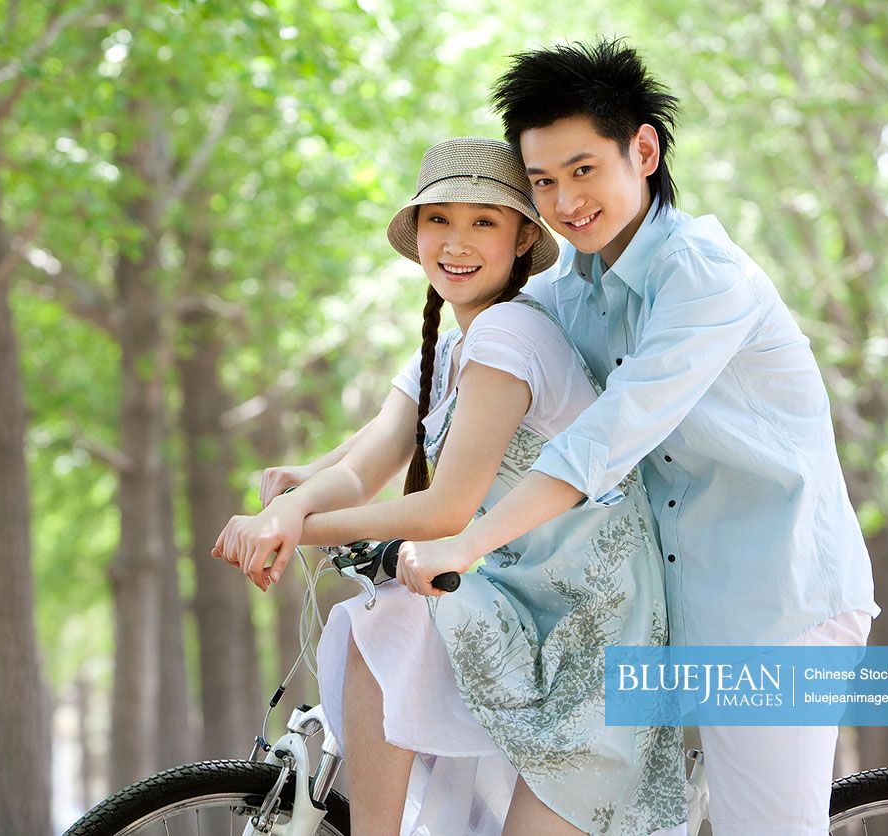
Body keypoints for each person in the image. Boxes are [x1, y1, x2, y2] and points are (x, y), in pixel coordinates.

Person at [365, 40, 877, 836]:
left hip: (772, 608)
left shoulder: (704, 277)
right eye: (542, 181)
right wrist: (323, 483)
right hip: (652, 618)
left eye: (582, 170)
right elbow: (476, 370)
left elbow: (604, 440)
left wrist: (463, 543)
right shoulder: (567, 292)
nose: (565, 201)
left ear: (642, 151)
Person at [213, 137, 688, 836]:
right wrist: (292, 501)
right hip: (525, 613)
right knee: (387, 616)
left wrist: (294, 528)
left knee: (391, 616)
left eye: (483, 222)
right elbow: (362, 465)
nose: (456, 242)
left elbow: (446, 510)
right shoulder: (445, 347)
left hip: (590, 642)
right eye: (438, 219)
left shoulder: (509, 335)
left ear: (522, 238)